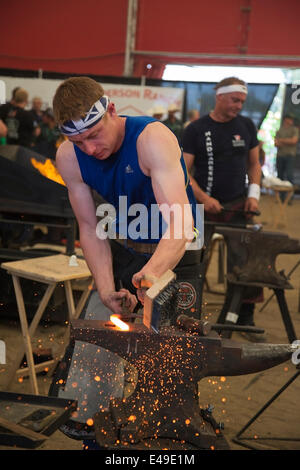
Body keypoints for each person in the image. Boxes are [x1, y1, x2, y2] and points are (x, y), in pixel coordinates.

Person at [53, 76, 201, 318]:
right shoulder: (69, 157)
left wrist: (152, 271)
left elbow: (182, 225)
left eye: (94, 135)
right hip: (126, 250)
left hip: (178, 252)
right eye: (78, 142)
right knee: (113, 339)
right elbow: (90, 228)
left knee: (173, 349)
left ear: (111, 110)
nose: (89, 149)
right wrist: (105, 289)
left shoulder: (151, 139)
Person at [182, 76, 263, 339]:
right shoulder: (196, 129)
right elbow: (182, 171)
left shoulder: (247, 125)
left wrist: (254, 195)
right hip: (203, 209)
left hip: (238, 205)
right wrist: (204, 199)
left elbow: (254, 164)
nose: (239, 105)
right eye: (234, 100)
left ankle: (244, 319)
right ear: (219, 97)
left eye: (242, 101)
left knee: (245, 262)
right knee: (191, 263)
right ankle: (185, 317)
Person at [275, 114, 299, 201]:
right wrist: (287, 141)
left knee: (289, 176)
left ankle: (289, 198)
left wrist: (281, 140)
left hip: (290, 155)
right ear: (285, 120)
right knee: (280, 176)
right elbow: (276, 144)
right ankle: (280, 197)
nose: (290, 121)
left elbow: (294, 141)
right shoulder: (279, 130)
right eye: (289, 119)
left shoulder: (294, 130)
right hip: (280, 155)